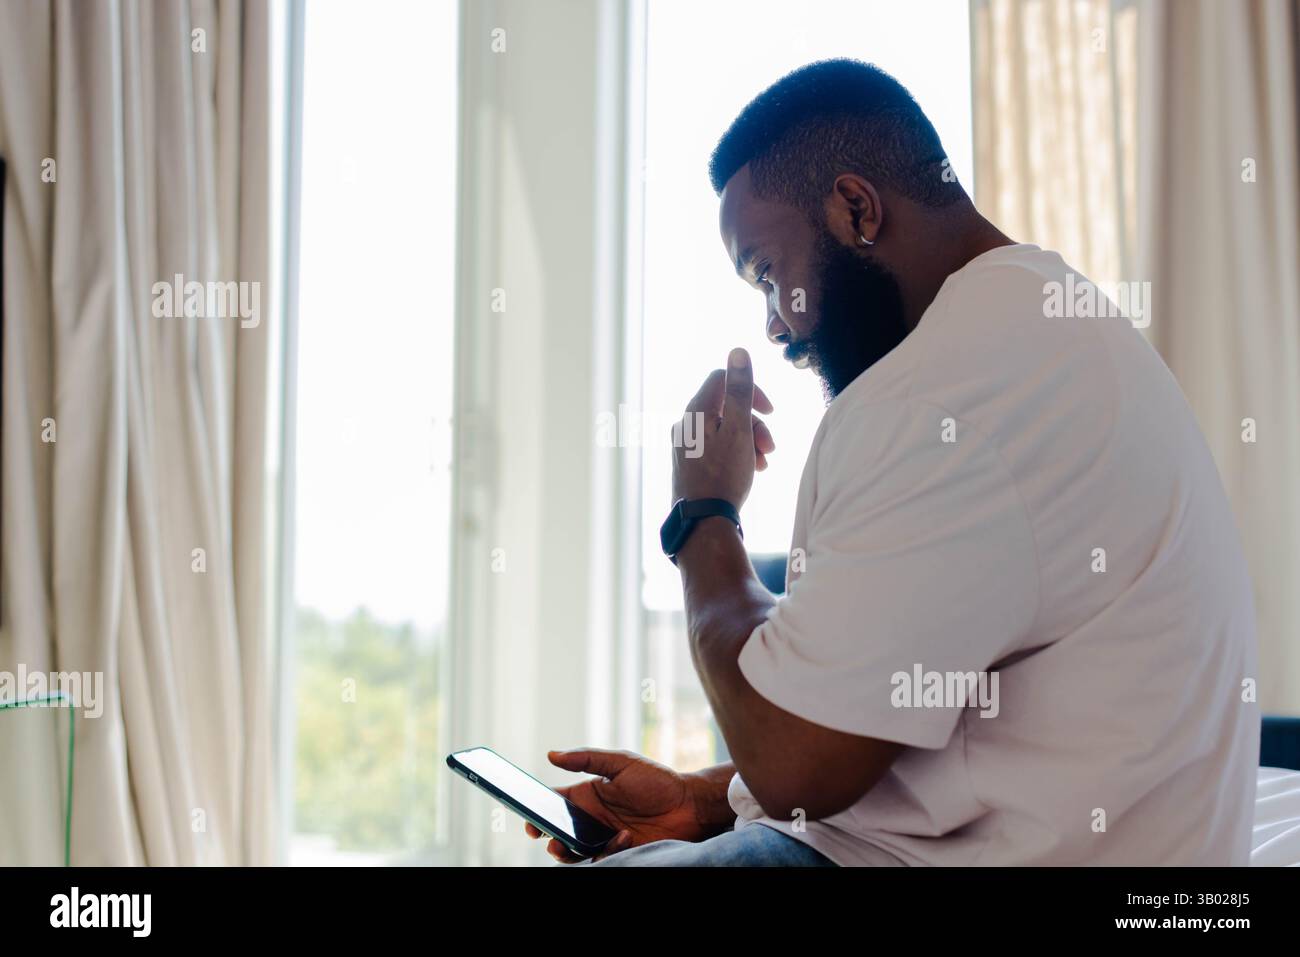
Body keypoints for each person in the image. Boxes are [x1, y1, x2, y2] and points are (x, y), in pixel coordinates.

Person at [526, 58, 1260, 866]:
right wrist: (708, 800)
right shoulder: (1041, 323)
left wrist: (702, 511)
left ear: (855, 208)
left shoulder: (945, 392)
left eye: (768, 273)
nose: (774, 325)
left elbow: (796, 762)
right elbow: (883, 710)